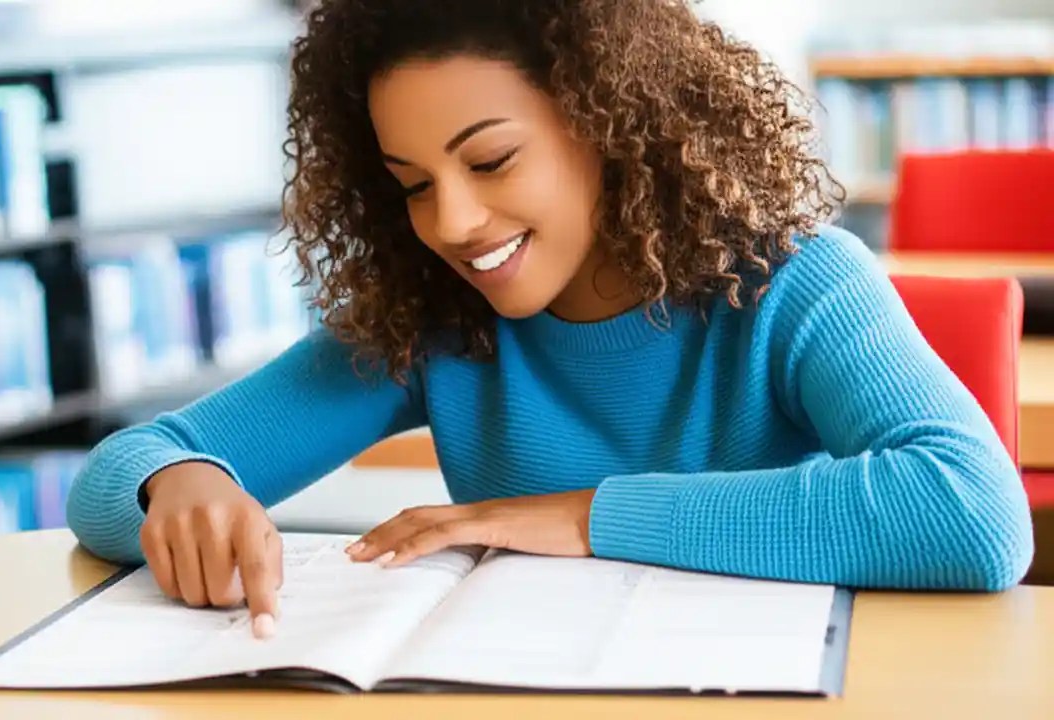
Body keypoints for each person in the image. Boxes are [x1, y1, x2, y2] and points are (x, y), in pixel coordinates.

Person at [66, 0, 1035, 638]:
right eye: (410, 185)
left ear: (610, 124)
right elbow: (116, 476)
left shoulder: (794, 283)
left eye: (488, 162)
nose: (449, 223)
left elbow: (973, 516)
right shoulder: (436, 320)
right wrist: (177, 480)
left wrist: (579, 519)